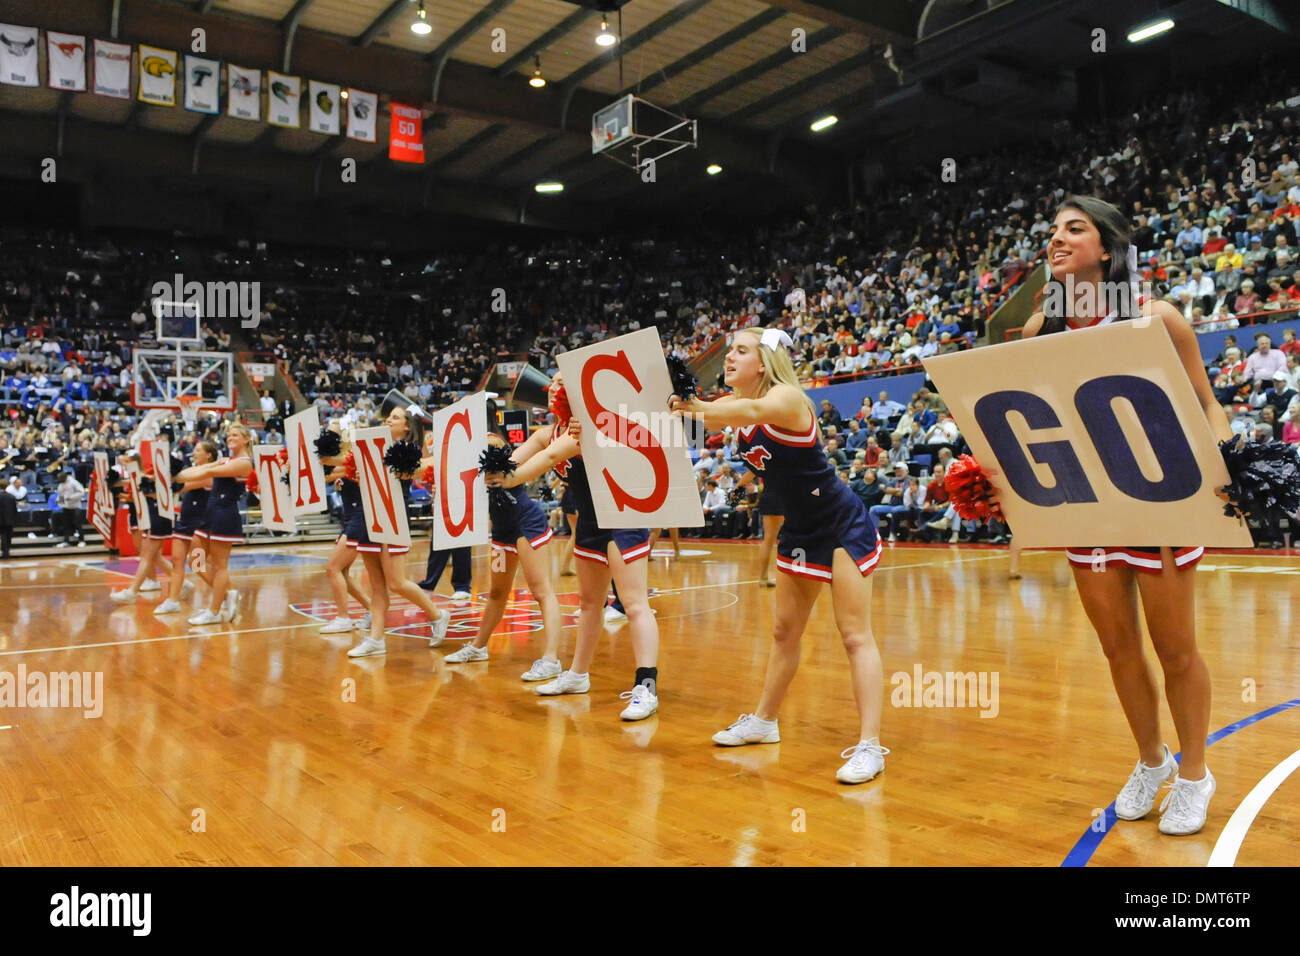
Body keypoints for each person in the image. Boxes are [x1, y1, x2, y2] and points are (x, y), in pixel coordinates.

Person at [1020, 195, 1227, 835]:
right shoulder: (1039, 329)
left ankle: (1195, 772)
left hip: (1159, 504)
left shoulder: (1155, 316)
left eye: (1073, 230)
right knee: (1117, 649)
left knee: (1177, 650)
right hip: (1087, 507)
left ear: (1108, 249)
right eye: (1052, 230)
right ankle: (1151, 760)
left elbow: (1207, 403)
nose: (1056, 239)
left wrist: (1224, 474)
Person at [669, 326, 889, 783]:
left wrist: (695, 407)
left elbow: (743, 410)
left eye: (741, 350)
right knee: (783, 632)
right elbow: (715, 426)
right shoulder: (738, 413)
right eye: (729, 350)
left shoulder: (788, 398)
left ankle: (870, 746)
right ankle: (765, 722)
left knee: (854, 636)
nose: (729, 357)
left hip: (839, 524)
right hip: (800, 527)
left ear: (765, 363)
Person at [486, 373, 660, 721]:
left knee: (634, 603)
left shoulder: (592, 428)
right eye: (552, 379)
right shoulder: (547, 432)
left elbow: (542, 462)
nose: (552, 386)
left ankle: (647, 686)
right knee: (589, 603)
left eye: (562, 381)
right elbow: (514, 460)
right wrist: (484, 463)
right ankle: (578, 675)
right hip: (591, 519)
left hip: (624, 514)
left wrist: (505, 478)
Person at [443, 433, 564, 681]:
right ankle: (478, 647)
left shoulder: (495, 449)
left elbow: (498, 448)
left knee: (541, 590)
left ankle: (552, 659)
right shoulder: (463, 464)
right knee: (497, 592)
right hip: (501, 529)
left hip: (526, 523)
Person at [343, 407, 451, 658]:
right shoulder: (372, 450)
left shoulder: (411, 452)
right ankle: (376, 639)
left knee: (396, 581)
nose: (388, 420)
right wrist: (361, 476)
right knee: (378, 587)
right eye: (388, 416)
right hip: (369, 510)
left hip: (393, 512)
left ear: (406, 427)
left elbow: (428, 467)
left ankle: (437, 615)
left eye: (395, 417)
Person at [176, 422, 254, 625]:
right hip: (209, 514)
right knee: (196, 560)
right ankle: (228, 593)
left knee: (220, 566)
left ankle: (214, 611)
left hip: (224, 514)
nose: (230, 437)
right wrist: (174, 476)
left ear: (246, 439)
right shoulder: (226, 459)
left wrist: (177, 477)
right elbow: (204, 467)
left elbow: (207, 473)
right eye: (229, 435)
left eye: (235, 434)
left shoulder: (245, 463)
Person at [315, 422, 373, 635]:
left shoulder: (356, 460)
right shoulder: (342, 463)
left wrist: (334, 428)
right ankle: (372, 609)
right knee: (344, 573)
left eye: (347, 435)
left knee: (332, 568)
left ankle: (343, 617)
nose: (343, 438)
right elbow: (325, 474)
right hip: (350, 519)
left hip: (362, 517)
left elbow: (327, 473)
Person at [153, 440, 212, 616]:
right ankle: (172, 600)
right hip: (183, 523)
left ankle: (223, 593)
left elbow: (183, 485)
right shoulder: (191, 471)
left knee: (198, 565)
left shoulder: (210, 474)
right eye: (194, 450)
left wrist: (170, 477)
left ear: (208, 455)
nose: (194, 453)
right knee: (177, 561)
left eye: (198, 450)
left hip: (199, 526)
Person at [54, 470, 85, 547]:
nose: (59, 481)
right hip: (66, 507)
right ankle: (66, 541)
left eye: (60, 479)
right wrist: (58, 500)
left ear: (64, 477)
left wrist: (71, 497)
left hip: (75, 506)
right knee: (66, 525)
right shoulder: (60, 485)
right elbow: (60, 495)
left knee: (77, 524)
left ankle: (81, 540)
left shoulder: (73, 482)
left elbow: (81, 492)